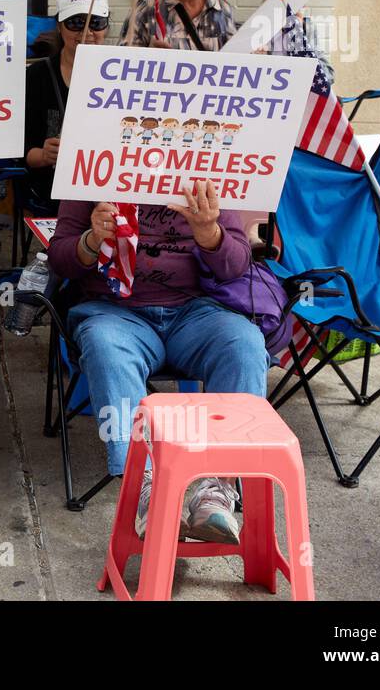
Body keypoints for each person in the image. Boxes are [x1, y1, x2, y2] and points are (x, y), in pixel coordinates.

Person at [46, 184, 271, 544]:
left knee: (243, 344)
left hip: (195, 309)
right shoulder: (92, 169)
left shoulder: (209, 169)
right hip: (115, 311)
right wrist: (91, 240)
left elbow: (235, 266)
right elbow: (58, 259)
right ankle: (145, 488)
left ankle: (217, 487)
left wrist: (209, 232)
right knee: (105, 346)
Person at [22, 0, 110, 204]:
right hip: (52, 191)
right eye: (76, 22)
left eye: (96, 22)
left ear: (107, 27)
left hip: (105, 189)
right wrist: (43, 155)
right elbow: (24, 149)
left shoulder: (122, 76)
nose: (87, 31)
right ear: (59, 26)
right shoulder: (37, 75)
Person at [261, 0, 334, 85]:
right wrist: (257, 59)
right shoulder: (256, 30)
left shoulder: (307, 27)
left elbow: (328, 76)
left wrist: (302, 41)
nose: (301, 7)